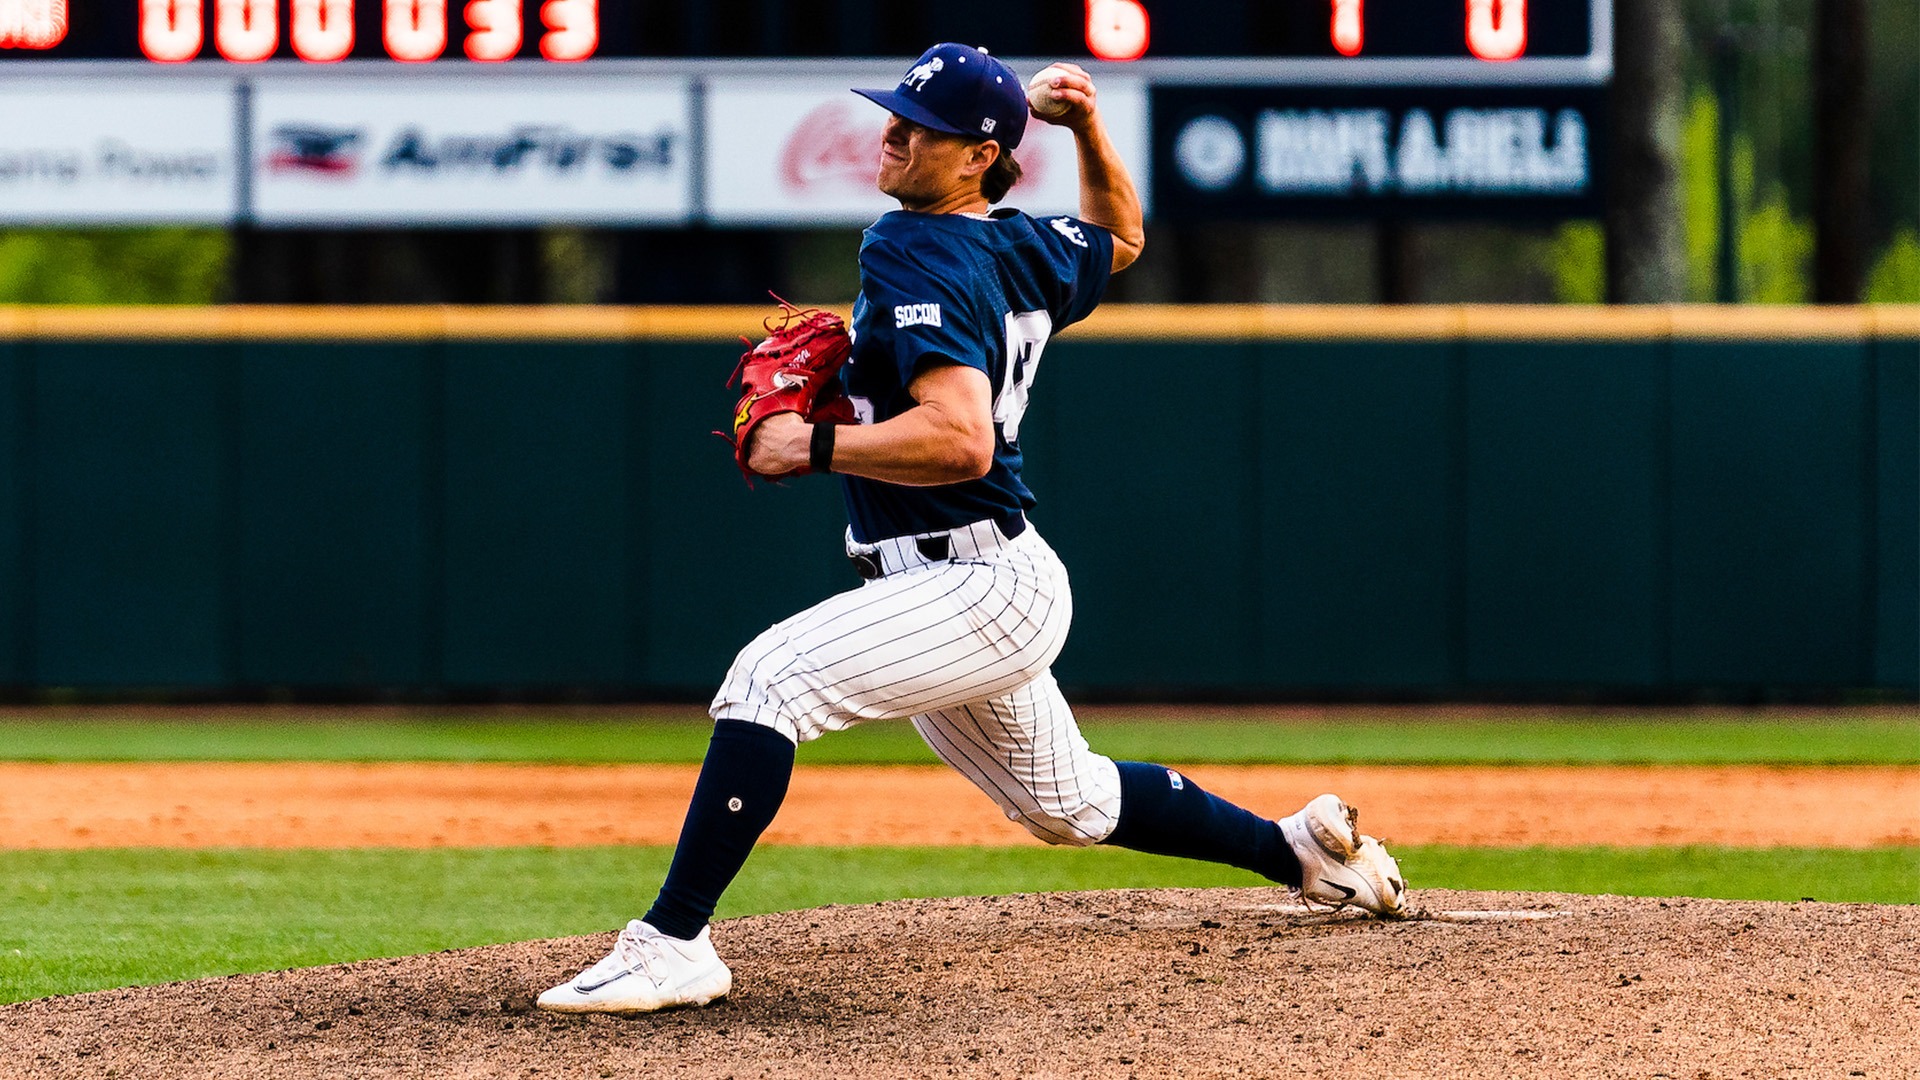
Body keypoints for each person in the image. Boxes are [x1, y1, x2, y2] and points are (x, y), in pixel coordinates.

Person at [536, 44, 1406, 1015]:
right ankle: (1296, 850)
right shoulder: (1017, 243)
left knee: (767, 681)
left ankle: (671, 945)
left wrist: (808, 446)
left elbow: (960, 442)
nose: (893, 134)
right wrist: (1085, 129)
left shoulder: (914, 246)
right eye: (896, 115)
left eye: (924, 129)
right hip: (979, 579)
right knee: (1069, 802)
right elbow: (1120, 237)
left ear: (978, 158)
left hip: (974, 582)